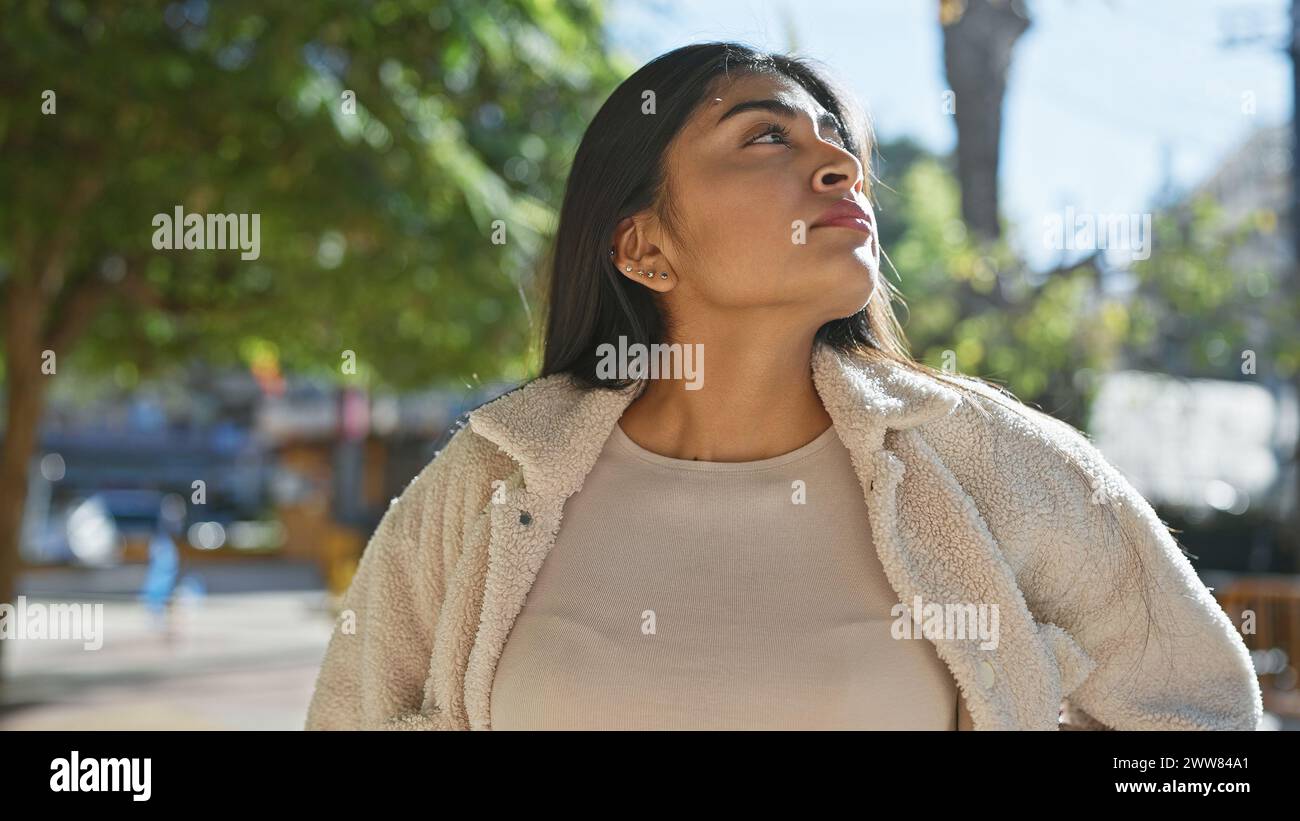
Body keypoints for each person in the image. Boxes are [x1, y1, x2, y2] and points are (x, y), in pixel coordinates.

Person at [305, 41, 1262, 731]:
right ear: (644, 247)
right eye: (766, 138)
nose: (841, 164)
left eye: (837, 142)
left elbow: (1203, 724)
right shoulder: (490, 483)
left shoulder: (984, 459)